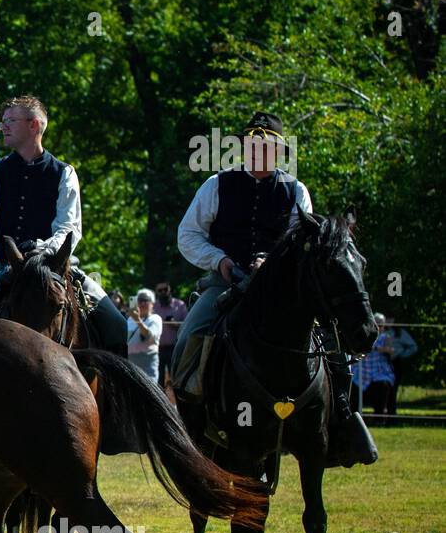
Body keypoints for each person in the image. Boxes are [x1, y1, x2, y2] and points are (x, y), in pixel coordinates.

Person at [172, 110, 375, 466]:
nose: (259, 150)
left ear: (280, 150)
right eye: (253, 144)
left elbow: (303, 244)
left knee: (333, 345)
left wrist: (272, 263)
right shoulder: (217, 184)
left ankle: (343, 421)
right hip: (225, 282)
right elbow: (187, 235)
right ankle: (191, 420)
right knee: (191, 335)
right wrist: (220, 260)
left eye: (267, 145)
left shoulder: (296, 191)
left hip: (281, 293)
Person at [0, 96, 128, 353]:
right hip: (3, 269)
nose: (4, 127)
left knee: (116, 325)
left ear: (34, 125)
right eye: (3, 121)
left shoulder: (63, 172)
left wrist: (43, 252)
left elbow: (69, 227)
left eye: (11, 120)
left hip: (54, 268)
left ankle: (114, 392)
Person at [355, 315, 396, 425]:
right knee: (352, 385)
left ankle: (379, 419)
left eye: (381, 325)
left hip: (379, 369)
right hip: (361, 370)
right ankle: (354, 418)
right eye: (377, 324)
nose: (379, 327)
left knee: (383, 384)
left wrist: (377, 349)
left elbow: (391, 351)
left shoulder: (386, 337)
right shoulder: (364, 336)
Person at [152, 281, 187, 389]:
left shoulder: (180, 305)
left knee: (177, 380)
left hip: (175, 349)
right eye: (160, 290)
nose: (163, 292)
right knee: (158, 381)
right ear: (156, 292)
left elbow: (187, 326)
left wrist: (175, 324)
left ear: (170, 289)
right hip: (157, 349)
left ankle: (179, 405)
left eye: (165, 289)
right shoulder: (152, 307)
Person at [126, 289, 162, 383]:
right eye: (140, 300)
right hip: (130, 362)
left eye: (146, 300)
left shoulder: (155, 319)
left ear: (152, 303)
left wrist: (138, 320)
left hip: (147, 363)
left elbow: (149, 337)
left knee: (149, 392)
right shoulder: (130, 319)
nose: (142, 303)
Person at [384, 316, 418, 417]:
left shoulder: (400, 332)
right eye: (387, 319)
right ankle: (380, 414)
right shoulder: (379, 331)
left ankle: (392, 414)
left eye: (391, 319)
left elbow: (413, 347)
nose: (389, 321)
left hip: (395, 363)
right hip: (380, 362)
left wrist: (401, 354)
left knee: (392, 389)